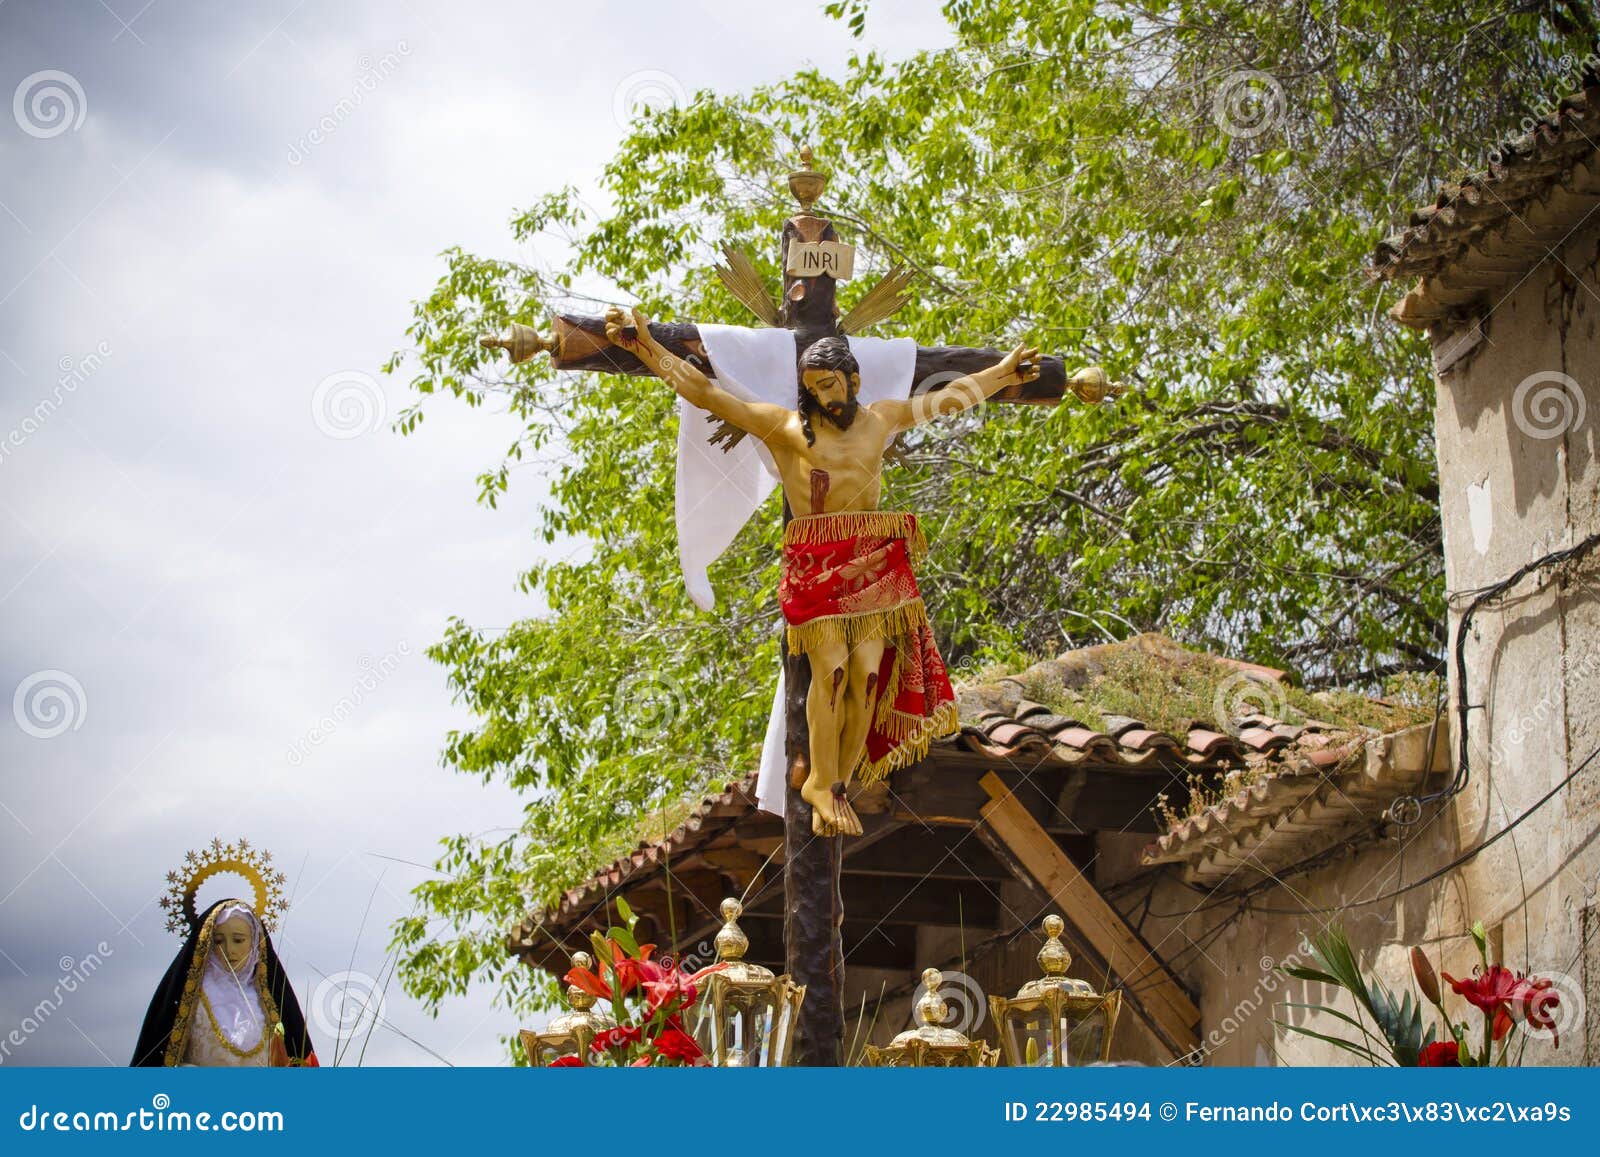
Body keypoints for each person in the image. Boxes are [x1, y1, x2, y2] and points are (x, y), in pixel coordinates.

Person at [132, 897, 316, 1067]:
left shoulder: (273, 1001)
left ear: (255, 943)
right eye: (219, 941)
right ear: (207, 944)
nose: (230, 950)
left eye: (238, 940)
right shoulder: (187, 999)